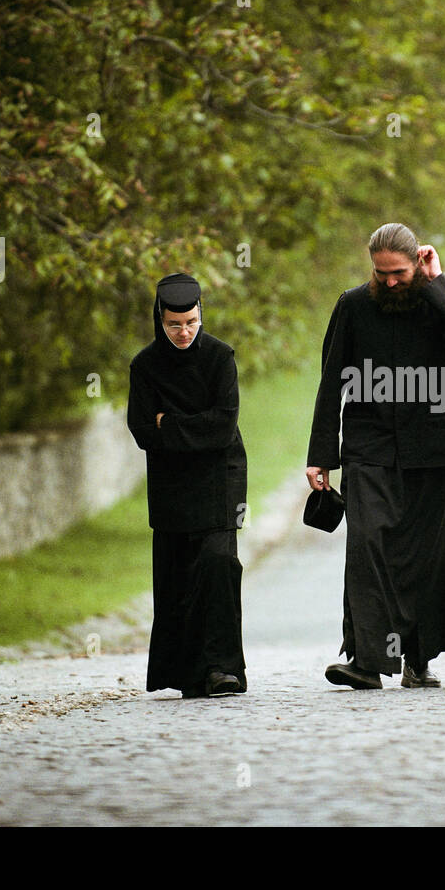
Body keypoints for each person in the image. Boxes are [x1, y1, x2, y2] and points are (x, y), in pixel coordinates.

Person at [307, 222, 445, 689]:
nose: (389, 281)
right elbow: (331, 384)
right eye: (381, 272)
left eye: (399, 273)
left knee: (426, 557)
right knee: (368, 546)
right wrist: (321, 456)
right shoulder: (352, 306)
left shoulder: (437, 300)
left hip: (433, 449)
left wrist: (436, 280)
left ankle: (418, 659)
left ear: (417, 264)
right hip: (369, 448)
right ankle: (367, 662)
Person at [128, 273, 248, 699]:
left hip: (220, 481)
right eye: (175, 325)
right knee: (178, 576)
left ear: (202, 316)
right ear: (159, 320)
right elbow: (143, 429)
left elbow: (222, 426)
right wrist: (185, 428)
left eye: (192, 323)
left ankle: (223, 669)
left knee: (217, 566)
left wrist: (171, 424)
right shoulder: (144, 366)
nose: (184, 332)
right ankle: (189, 674)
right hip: (172, 487)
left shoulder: (220, 357)